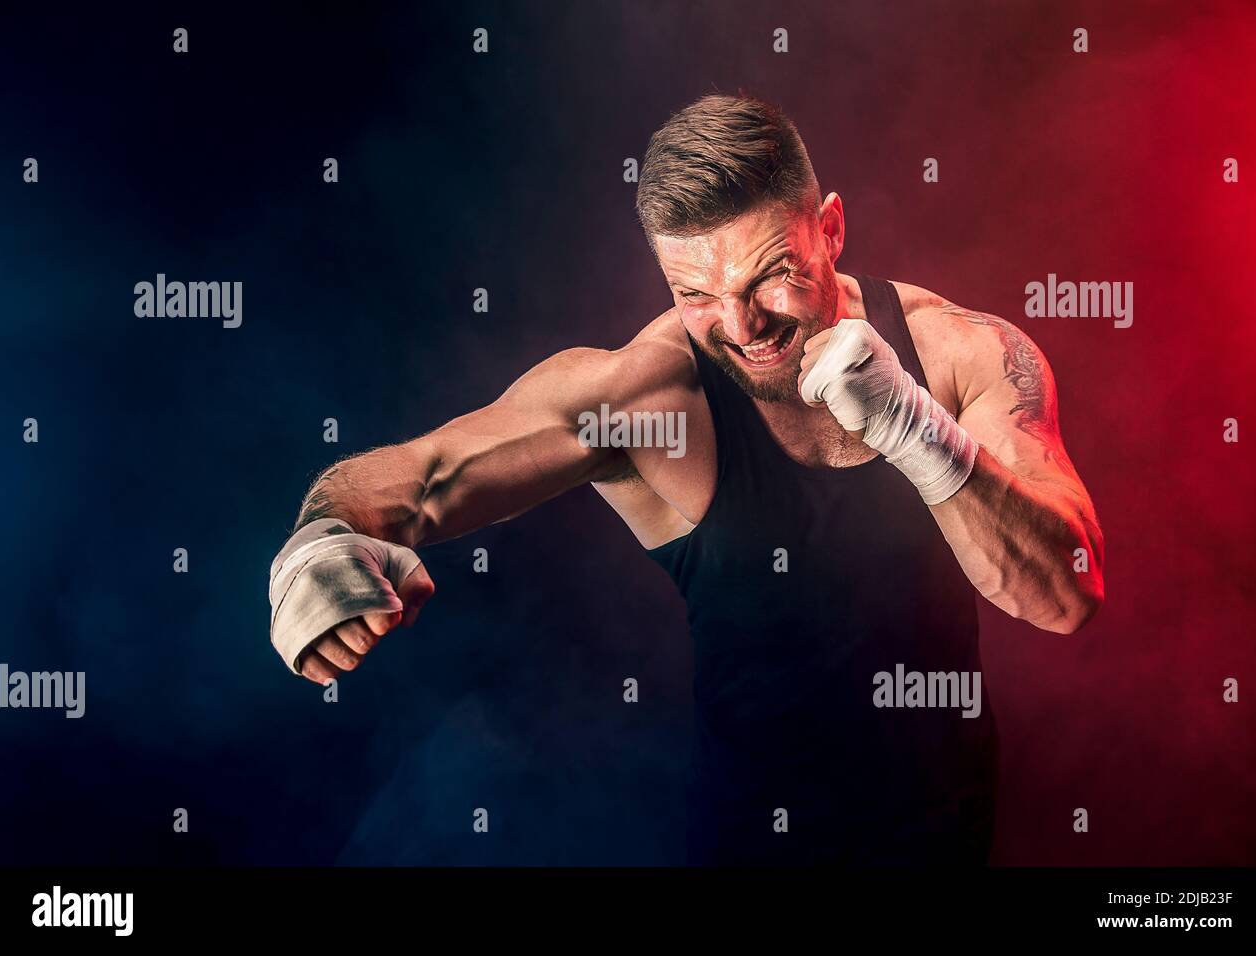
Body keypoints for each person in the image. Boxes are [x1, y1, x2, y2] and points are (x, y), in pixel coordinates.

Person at [267, 94, 1105, 865]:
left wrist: (913, 426)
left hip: (947, 842)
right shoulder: (648, 399)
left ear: (831, 228)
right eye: (695, 292)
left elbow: (1064, 597)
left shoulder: (961, 357)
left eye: (769, 274)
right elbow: (421, 481)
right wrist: (317, 539)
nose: (742, 327)